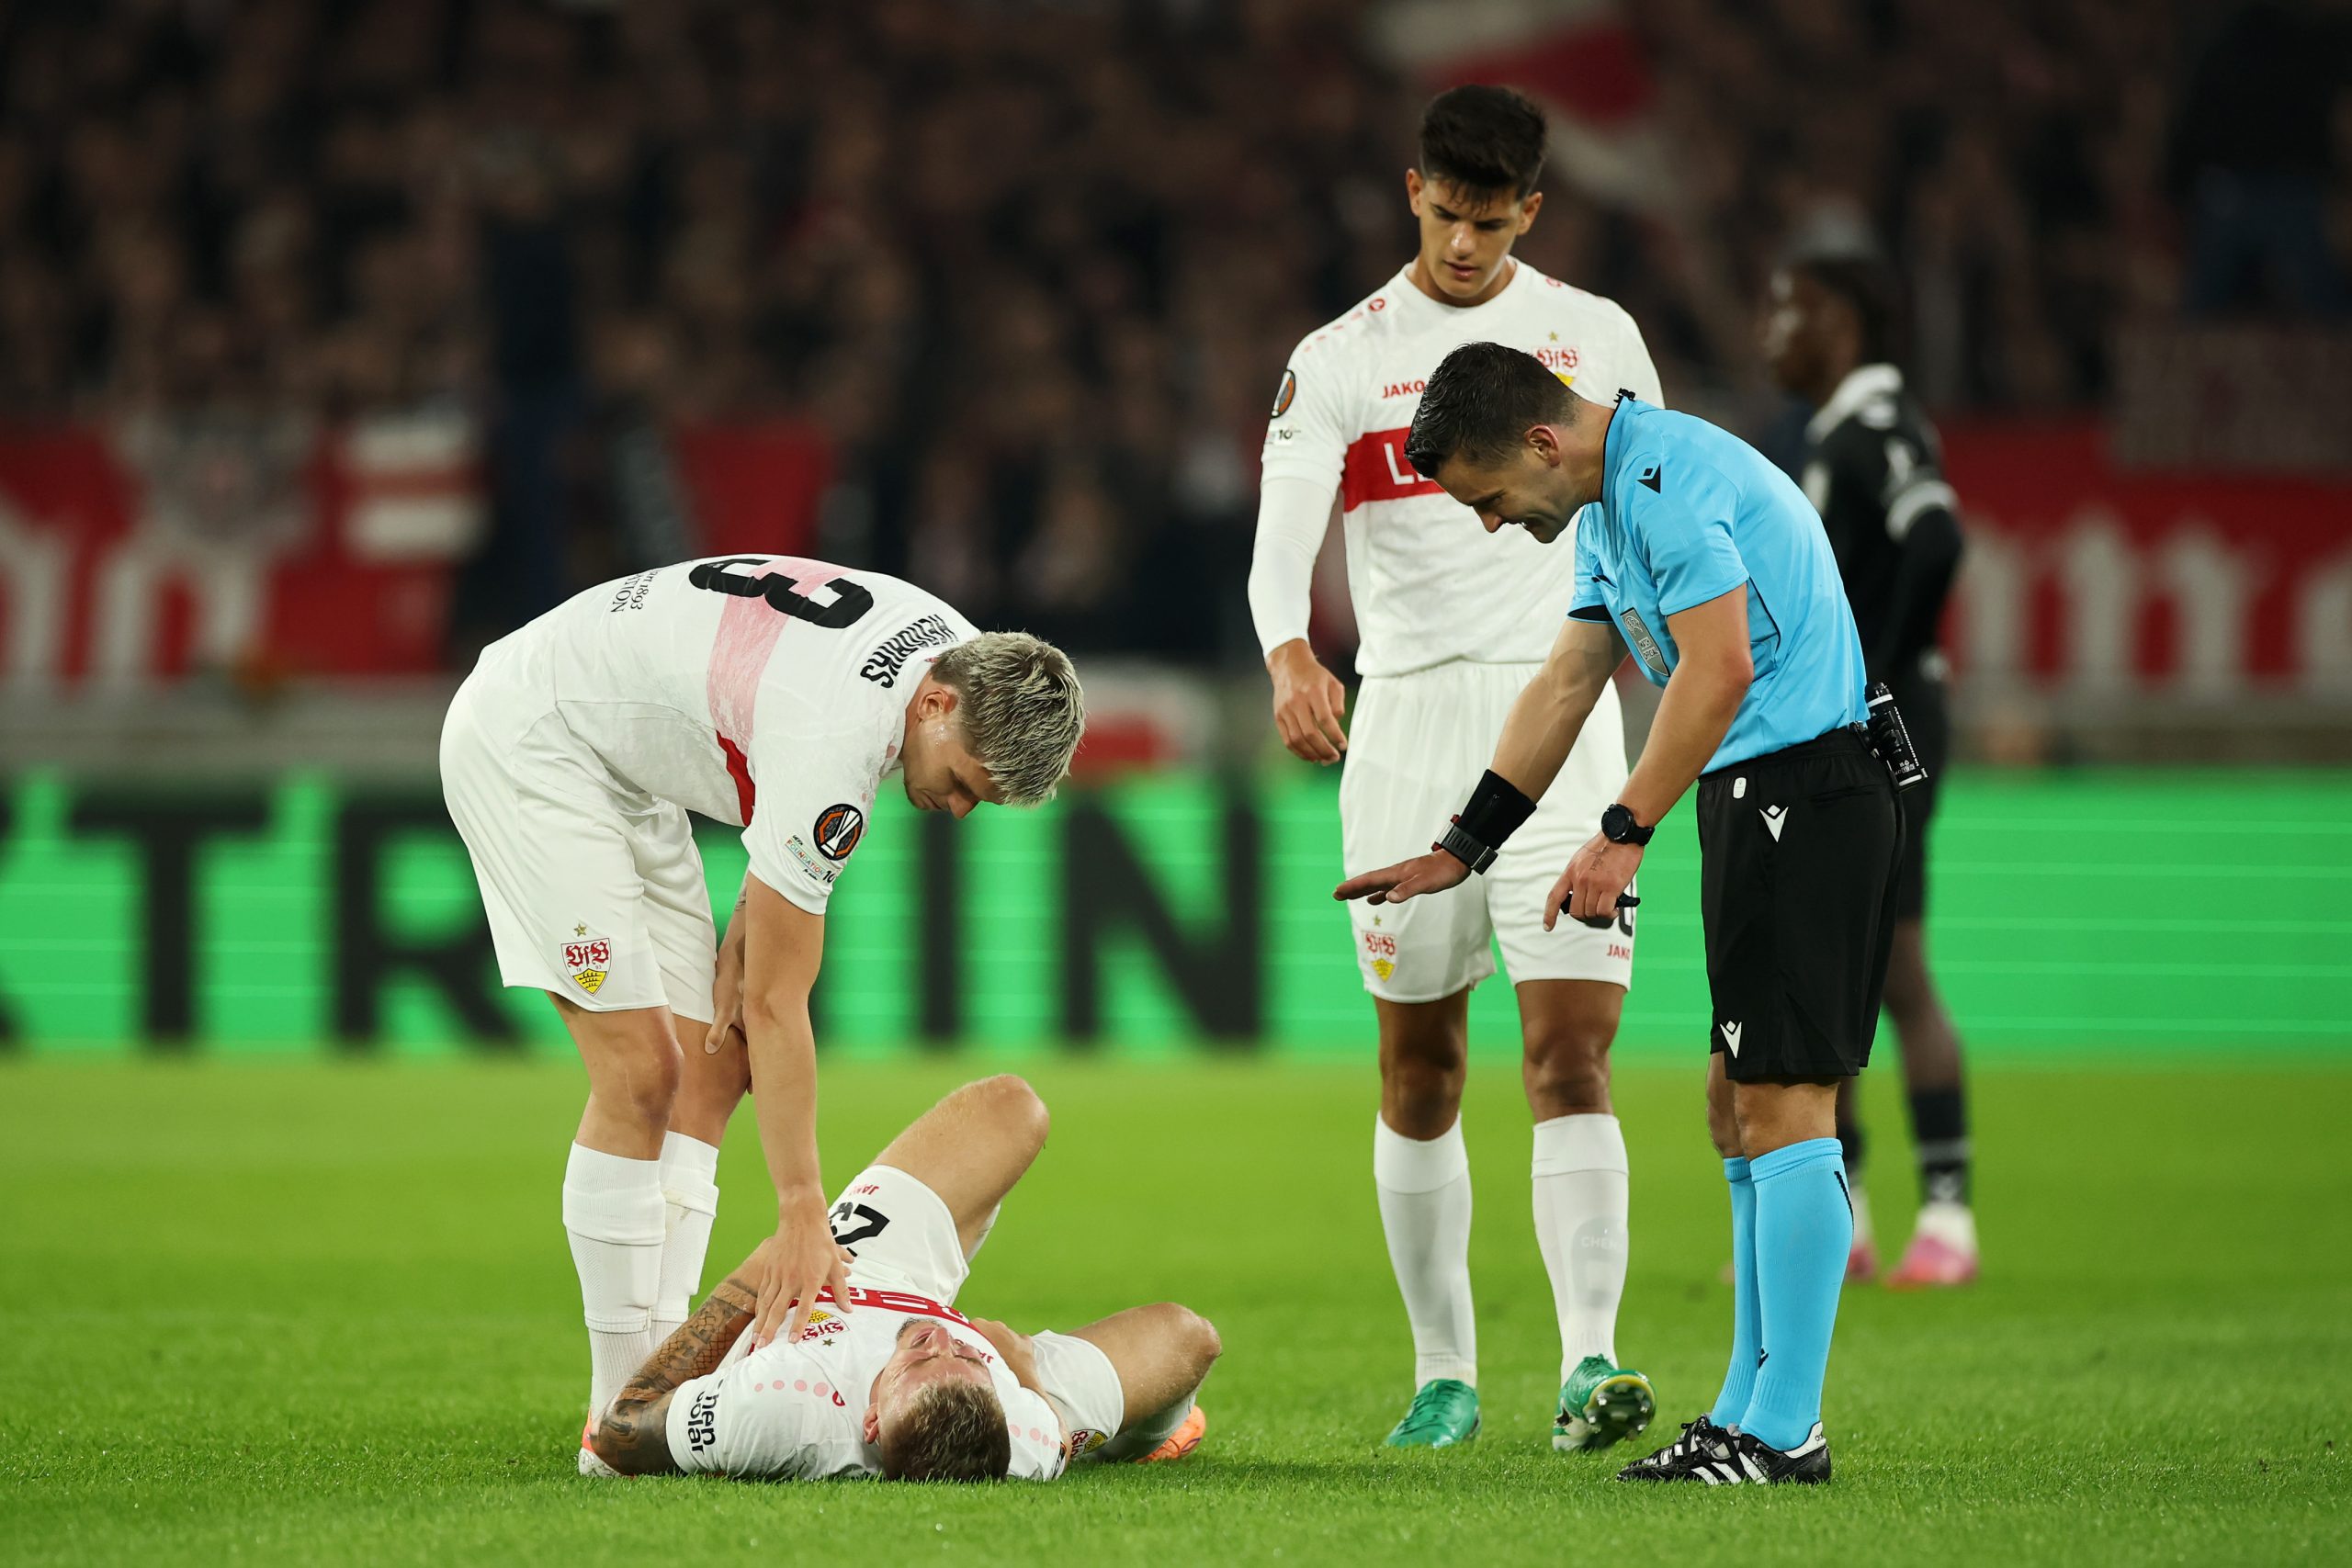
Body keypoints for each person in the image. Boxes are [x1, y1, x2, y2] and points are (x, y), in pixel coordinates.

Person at [1339, 344, 1904, 1485]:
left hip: (1811, 789)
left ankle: (1783, 1429)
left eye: (1490, 497)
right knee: (1739, 1107)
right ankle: (1747, 1409)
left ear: (1542, 442)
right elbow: (1565, 684)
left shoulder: (1669, 484)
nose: (1493, 524)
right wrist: (1463, 848)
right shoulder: (1606, 508)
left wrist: (1623, 825)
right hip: (1759, 798)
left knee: (1788, 1104)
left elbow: (1719, 669)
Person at [439, 555, 1085, 1471]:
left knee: (715, 1057)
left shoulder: (950, 651)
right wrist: (799, 1211)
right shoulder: (845, 735)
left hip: (627, 764)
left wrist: (757, 898)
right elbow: (782, 1002)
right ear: (937, 706)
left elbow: (771, 714)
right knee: (640, 1071)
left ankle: (658, 1381)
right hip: (536, 741)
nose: (959, 810)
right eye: (969, 784)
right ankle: (614, 1420)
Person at [1249, 83, 1664, 1454]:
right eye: (1447, 213)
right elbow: (1286, 517)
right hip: (1407, 724)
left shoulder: (1596, 337)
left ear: (1529, 210)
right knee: (1419, 1067)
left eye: (1493, 221)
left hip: (1564, 706)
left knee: (1569, 1054)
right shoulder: (1344, 353)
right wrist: (1290, 648)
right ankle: (1444, 1373)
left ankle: (1592, 1361)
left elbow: (1655, 517)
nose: (1468, 243)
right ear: (1410, 189)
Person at [585, 1074, 1220, 1483]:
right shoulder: (1018, 1436)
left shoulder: (783, 1404)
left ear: (869, 1419)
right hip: (995, 1355)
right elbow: (1048, 1436)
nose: (941, 1339)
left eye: (921, 1359)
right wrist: (1019, 1367)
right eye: (961, 1358)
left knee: (1010, 1110)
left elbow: (617, 1432)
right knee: (1190, 1337)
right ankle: (1156, 1434)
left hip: (853, 1276)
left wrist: (751, 1278)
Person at [1763, 254, 1976, 1287]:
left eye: (1787, 308)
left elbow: (1935, 537)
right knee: (1842, 965)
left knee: (1889, 964)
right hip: (1849, 724)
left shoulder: (1874, 422)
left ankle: (1946, 1221)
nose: (1772, 331)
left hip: (1882, 723)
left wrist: (1878, 671)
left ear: (1839, 319)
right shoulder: (1831, 433)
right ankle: (1845, 1224)